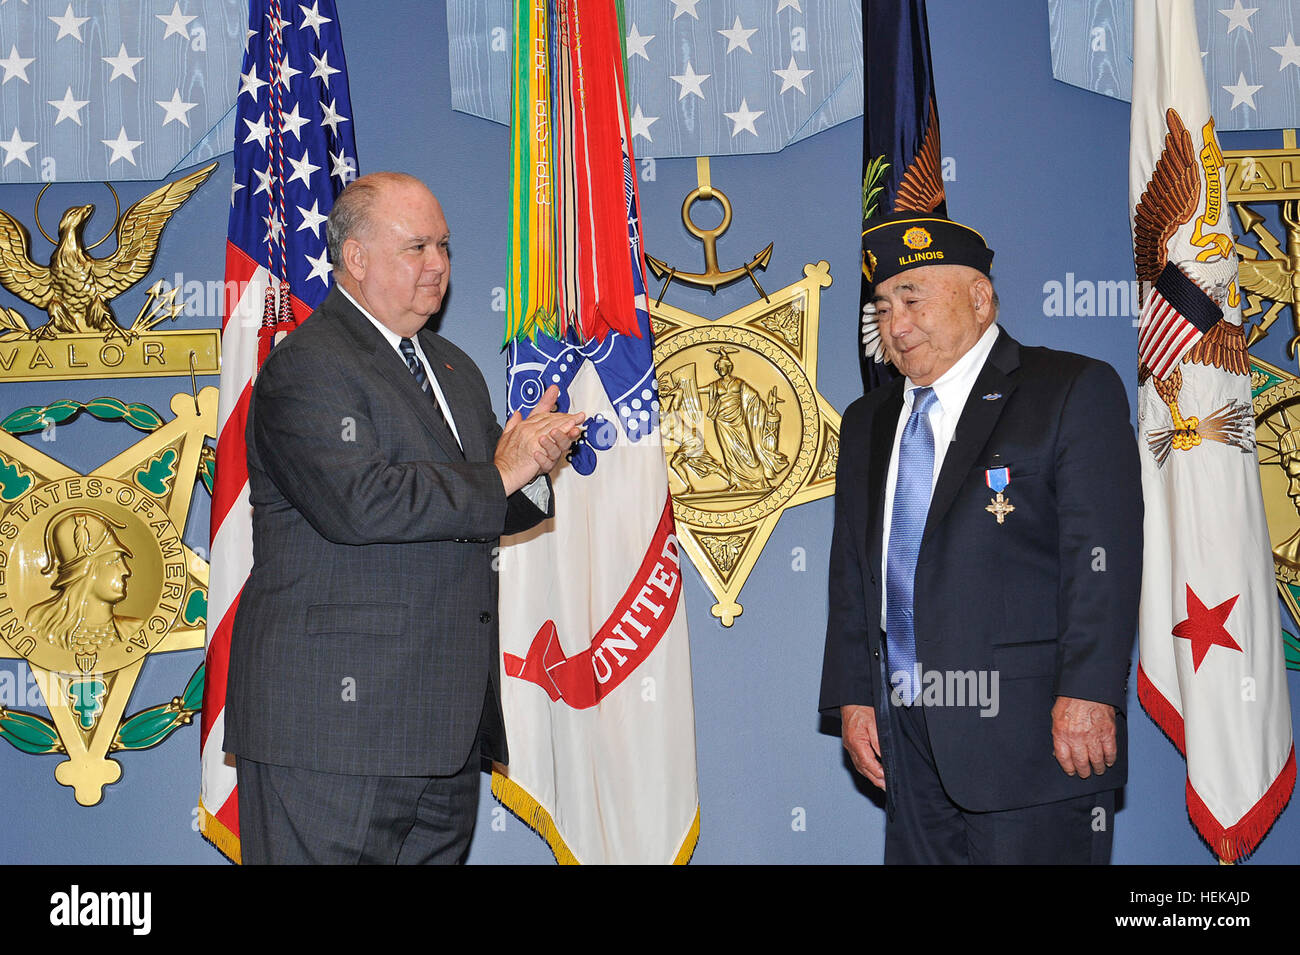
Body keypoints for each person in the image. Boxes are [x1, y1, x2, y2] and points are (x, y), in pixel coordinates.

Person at [224, 171, 584, 864]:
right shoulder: (307, 365)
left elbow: (482, 501)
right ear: (355, 259)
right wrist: (502, 470)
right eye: (417, 247)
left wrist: (533, 465)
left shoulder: (453, 367)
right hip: (332, 735)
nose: (439, 265)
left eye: (444, 246)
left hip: (440, 736)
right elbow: (362, 503)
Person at [820, 213, 1142, 864]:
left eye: (913, 298)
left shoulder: (1069, 390)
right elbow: (854, 574)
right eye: (882, 305)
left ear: (979, 297)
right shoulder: (866, 422)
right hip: (907, 743)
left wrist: (1090, 691)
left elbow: (1101, 557)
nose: (895, 324)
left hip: (1033, 738)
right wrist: (855, 695)